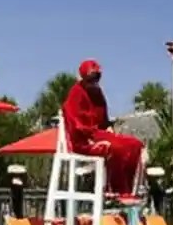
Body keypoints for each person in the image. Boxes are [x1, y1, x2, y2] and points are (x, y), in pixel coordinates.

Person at [61, 59, 145, 196]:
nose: (94, 81)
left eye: (96, 78)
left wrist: (108, 129)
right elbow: (76, 124)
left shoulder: (98, 93)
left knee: (134, 145)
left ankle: (130, 190)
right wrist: (92, 137)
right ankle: (115, 190)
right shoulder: (76, 93)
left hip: (98, 134)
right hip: (83, 140)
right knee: (117, 148)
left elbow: (104, 120)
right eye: (90, 78)